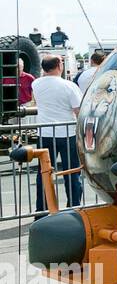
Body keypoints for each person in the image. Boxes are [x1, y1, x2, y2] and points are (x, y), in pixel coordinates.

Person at [32, 54, 83, 211]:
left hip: (44, 133)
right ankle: (73, 208)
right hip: (67, 133)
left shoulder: (36, 84)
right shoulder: (69, 86)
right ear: (59, 66)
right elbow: (78, 111)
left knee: (43, 174)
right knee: (72, 173)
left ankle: (43, 209)